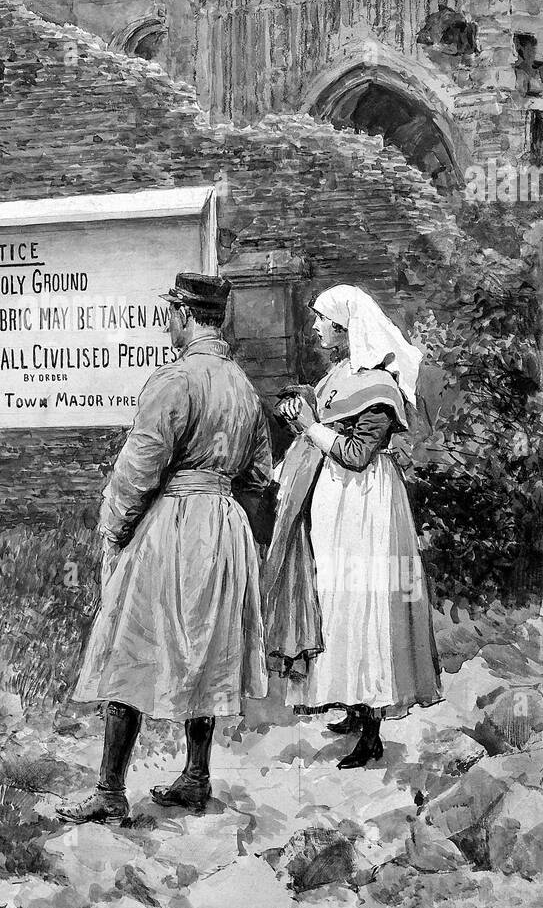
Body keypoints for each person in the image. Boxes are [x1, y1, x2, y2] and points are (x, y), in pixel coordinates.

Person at [57, 271, 272, 823]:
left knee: (134, 640)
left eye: (169, 312)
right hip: (223, 527)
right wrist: (220, 496)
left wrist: (114, 526)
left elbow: (139, 465)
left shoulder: (175, 380)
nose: (165, 322)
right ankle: (196, 774)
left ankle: (109, 790)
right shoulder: (244, 387)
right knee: (208, 645)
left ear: (182, 315)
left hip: (173, 523)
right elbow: (259, 474)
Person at [262, 284, 442, 768]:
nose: (316, 328)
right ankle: (350, 698)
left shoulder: (378, 385)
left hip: (366, 507)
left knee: (364, 605)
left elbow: (358, 454)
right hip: (334, 506)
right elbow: (323, 414)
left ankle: (372, 724)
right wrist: (296, 407)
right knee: (335, 601)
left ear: (345, 329)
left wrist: (309, 427)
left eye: (323, 321)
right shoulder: (340, 374)